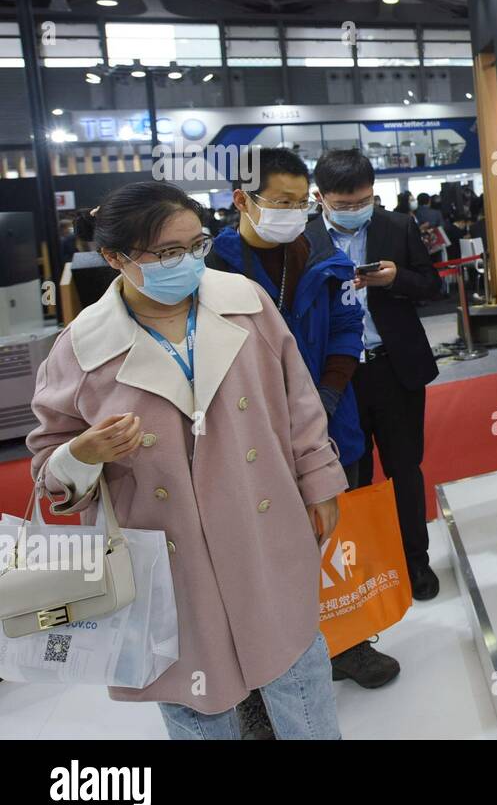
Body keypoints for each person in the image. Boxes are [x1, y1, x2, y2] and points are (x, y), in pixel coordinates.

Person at [27, 181, 347, 740]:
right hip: (164, 555)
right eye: (168, 254)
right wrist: (83, 453)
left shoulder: (246, 303)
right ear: (114, 258)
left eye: (197, 246)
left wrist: (319, 480)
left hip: (260, 522)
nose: (189, 264)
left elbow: (299, 402)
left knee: (296, 666)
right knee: (194, 695)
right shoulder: (80, 348)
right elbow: (47, 462)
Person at [207, 148, 401, 729]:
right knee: (257, 557)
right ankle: (256, 688)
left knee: (335, 536)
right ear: (244, 200)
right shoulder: (212, 268)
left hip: (327, 423)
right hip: (242, 436)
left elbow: (345, 326)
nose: (295, 213)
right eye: (282, 203)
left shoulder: (322, 254)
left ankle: (346, 642)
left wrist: (329, 394)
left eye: (300, 202)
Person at [309, 150, 441, 601]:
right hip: (337, 379)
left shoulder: (396, 227)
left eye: (362, 200)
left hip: (394, 366)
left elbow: (431, 285)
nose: (354, 211)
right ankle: (362, 569)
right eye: (343, 204)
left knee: (406, 469)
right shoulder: (303, 239)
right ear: (320, 198)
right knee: (351, 476)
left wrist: (396, 278)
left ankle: (415, 562)